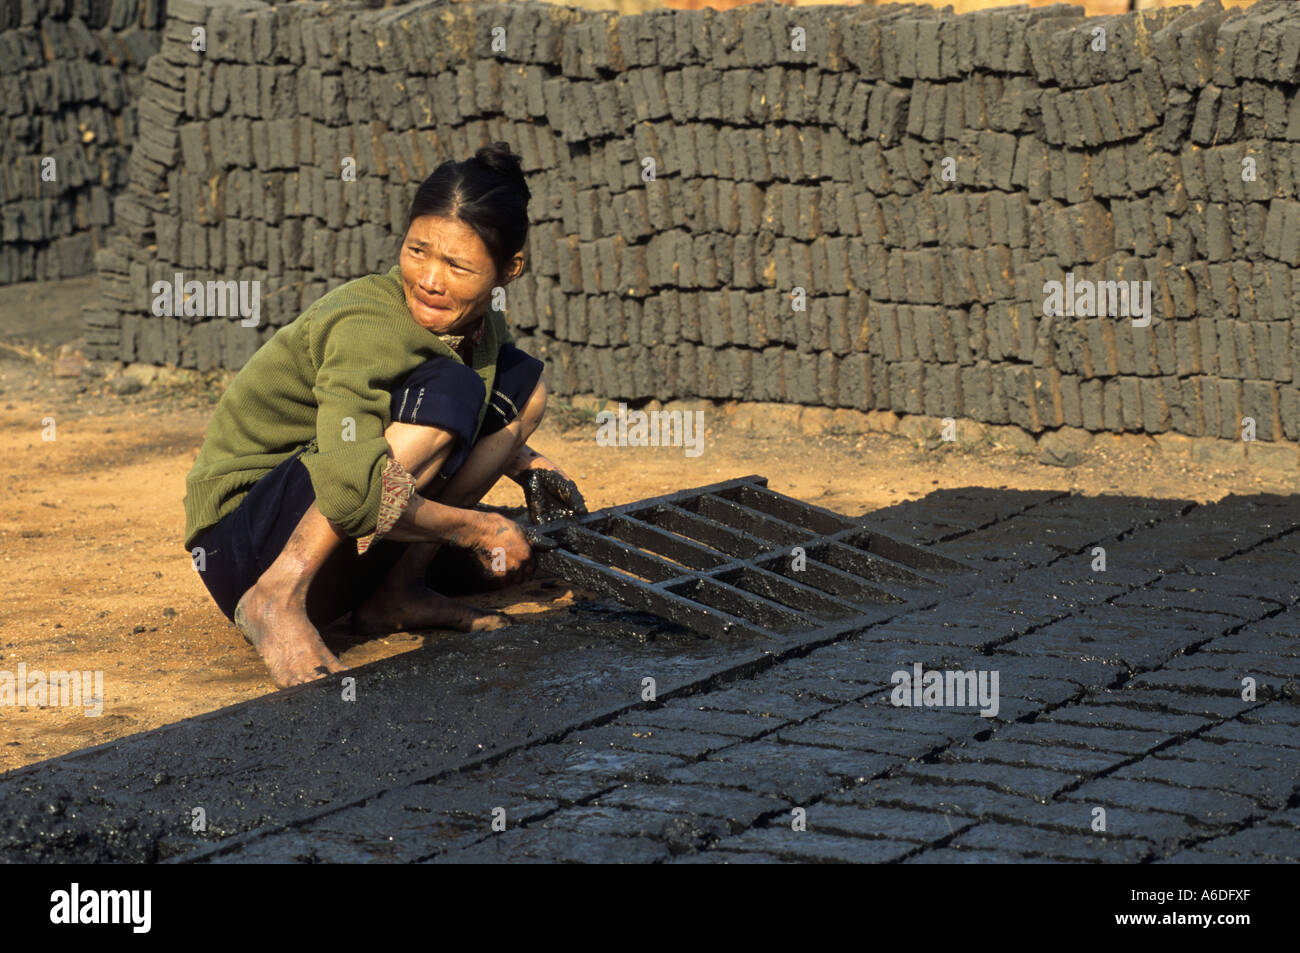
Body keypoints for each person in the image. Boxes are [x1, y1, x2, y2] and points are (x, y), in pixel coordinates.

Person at [182, 142, 585, 687]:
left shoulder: (478, 327)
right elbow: (352, 494)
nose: (430, 280)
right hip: (243, 548)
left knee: (520, 385)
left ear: (508, 271)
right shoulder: (367, 323)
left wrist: (528, 463)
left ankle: (399, 591)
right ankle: (277, 601)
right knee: (450, 388)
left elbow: (477, 417)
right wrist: (473, 529)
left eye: (458, 265)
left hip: (341, 547)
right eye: (418, 250)